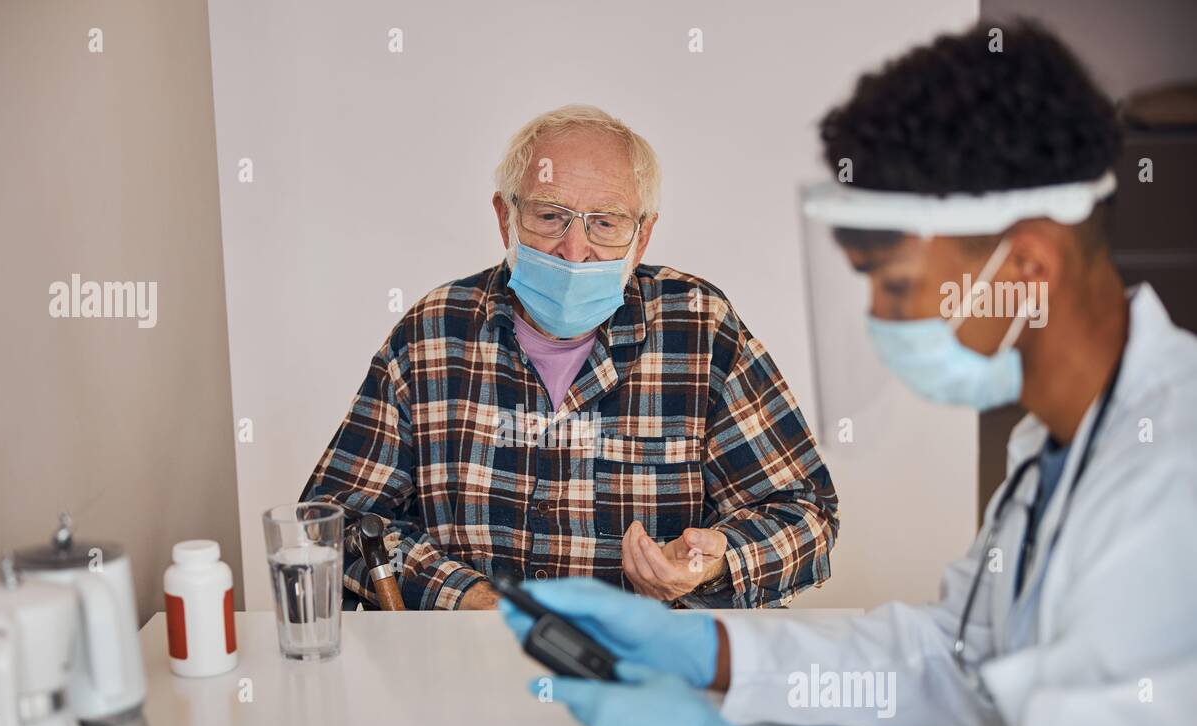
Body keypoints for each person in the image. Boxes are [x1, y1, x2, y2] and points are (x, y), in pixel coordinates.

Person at [500, 23, 1197, 726]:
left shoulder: (1168, 483)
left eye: (896, 283)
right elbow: (956, 661)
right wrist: (709, 648)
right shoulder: (1059, 446)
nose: (882, 320)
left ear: (1030, 268)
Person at [302, 105, 837, 610]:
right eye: (550, 216)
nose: (575, 249)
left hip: (644, 670)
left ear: (643, 235)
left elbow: (805, 515)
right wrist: (468, 599)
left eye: (605, 222)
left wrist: (714, 562)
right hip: (468, 670)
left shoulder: (700, 328)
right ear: (505, 217)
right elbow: (333, 521)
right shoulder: (434, 331)